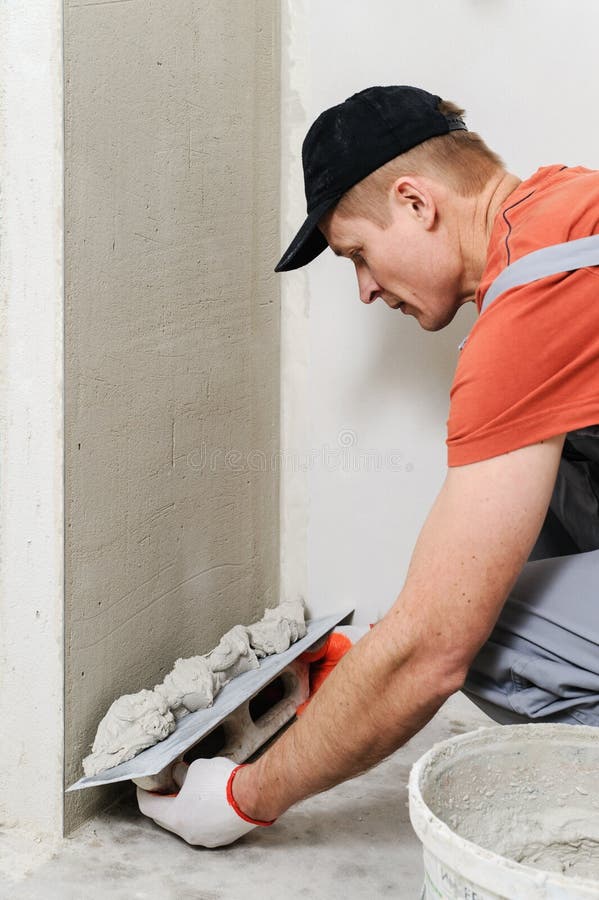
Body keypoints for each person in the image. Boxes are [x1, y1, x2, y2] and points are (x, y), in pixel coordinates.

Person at [137, 85, 599, 847]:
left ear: (416, 203)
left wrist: (245, 796)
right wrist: (363, 675)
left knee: (482, 635)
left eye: (357, 253)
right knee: (547, 482)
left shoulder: (538, 296)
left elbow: (432, 652)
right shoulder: (569, 212)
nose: (364, 290)